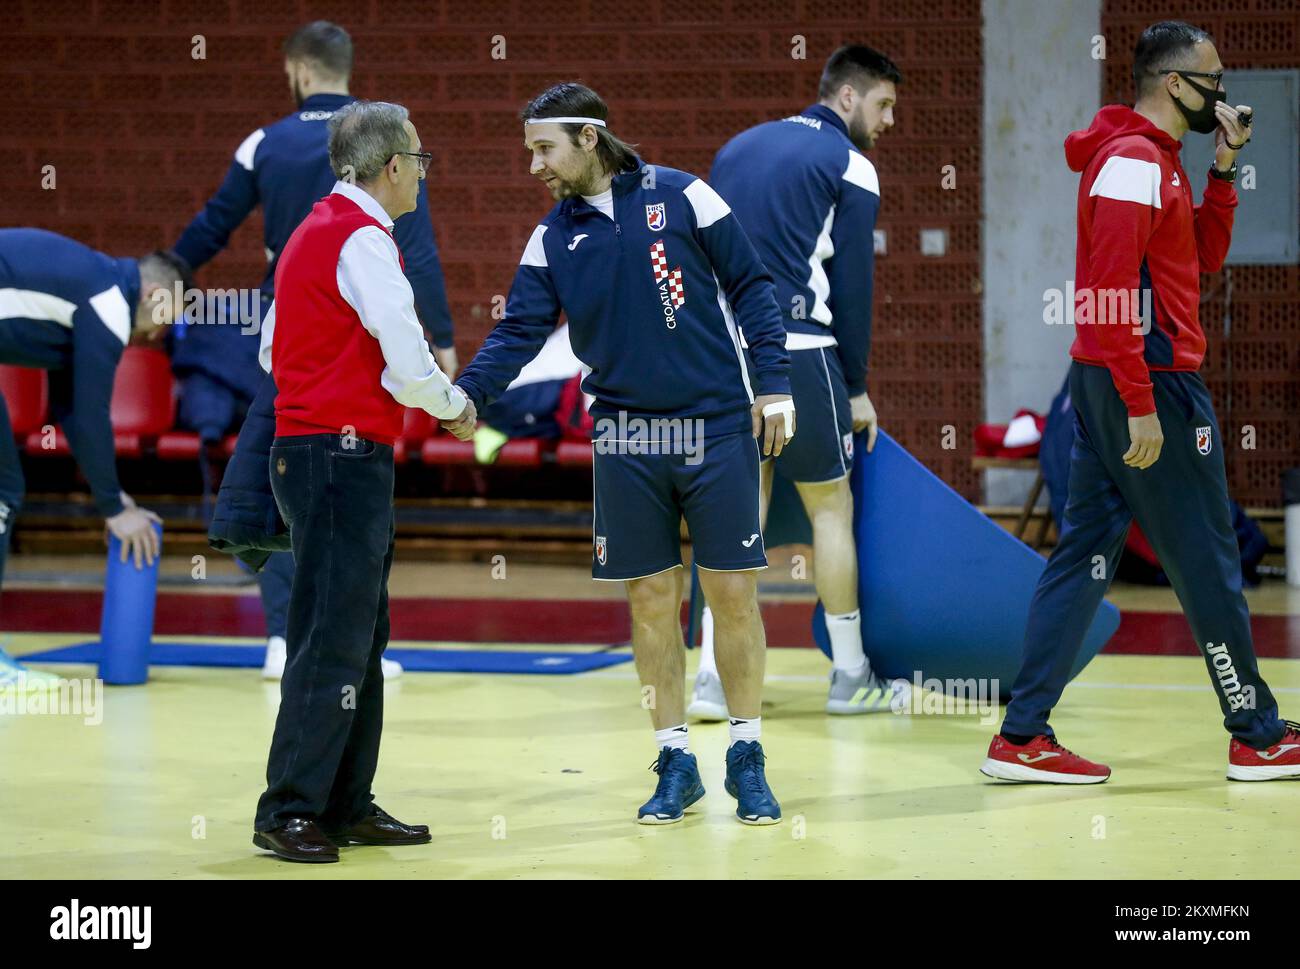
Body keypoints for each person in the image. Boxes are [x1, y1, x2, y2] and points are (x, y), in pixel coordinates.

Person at [455, 83, 795, 826]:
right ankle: (675, 760)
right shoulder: (551, 236)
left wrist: (774, 384)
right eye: (529, 152)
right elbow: (518, 330)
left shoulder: (686, 197)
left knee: (732, 594)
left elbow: (752, 286)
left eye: (544, 148)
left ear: (588, 137)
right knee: (648, 600)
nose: (534, 165)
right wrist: (469, 396)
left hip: (716, 428)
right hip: (627, 437)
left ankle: (747, 754)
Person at [981, 20, 1300, 784]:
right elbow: (1106, 296)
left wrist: (1222, 168)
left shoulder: (1158, 160)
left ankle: (1022, 735)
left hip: (1120, 378)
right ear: (1173, 85)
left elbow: (1199, 257)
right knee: (1207, 556)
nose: (1224, 92)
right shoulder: (1131, 163)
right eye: (1213, 79)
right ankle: (1256, 735)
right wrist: (1143, 404)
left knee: (1088, 555)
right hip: (1145, 379)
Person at [173, 20, 458, 680]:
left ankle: (282, 636)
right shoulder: (390, 147)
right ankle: (359, 645)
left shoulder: (264, 144)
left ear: (298, 71)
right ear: (345, 69)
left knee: (284, 479)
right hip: (359, 338)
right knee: (358, 487)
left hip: (288, 328)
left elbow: (212, 225)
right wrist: (439, 338)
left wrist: (162, 278)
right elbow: (418, 248)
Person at [251, 100, 472, 863]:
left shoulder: (313, 231)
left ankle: (343, 801)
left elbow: (271, 354)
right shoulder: (366, 239)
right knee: (332, 638)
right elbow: (410, 363)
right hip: (341, 460)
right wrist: (457, 407)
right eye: (421, 159)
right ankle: (289, 810)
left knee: (355, 634)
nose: (423, 173)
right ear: (392, 166)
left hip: (316, 454)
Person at [701, 44, 909, 718]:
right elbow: (853, 289)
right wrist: (855, 386)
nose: (888, 122)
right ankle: (851, 676)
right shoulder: (852, 165)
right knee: (830, 508)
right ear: (846, 97)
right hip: (799, 351)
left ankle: (709, 680)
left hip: (722, 351)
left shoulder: (735, 150)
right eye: (883, 106)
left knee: (738, 514)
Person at [0, 232, 183, 624]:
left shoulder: (95, 283)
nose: (156, 336)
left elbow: (69, 409)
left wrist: (112, 496)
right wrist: (113, 510)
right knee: (2, 488)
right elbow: (90, 414)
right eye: (165, 321)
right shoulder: (110, 302)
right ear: (152, 294)